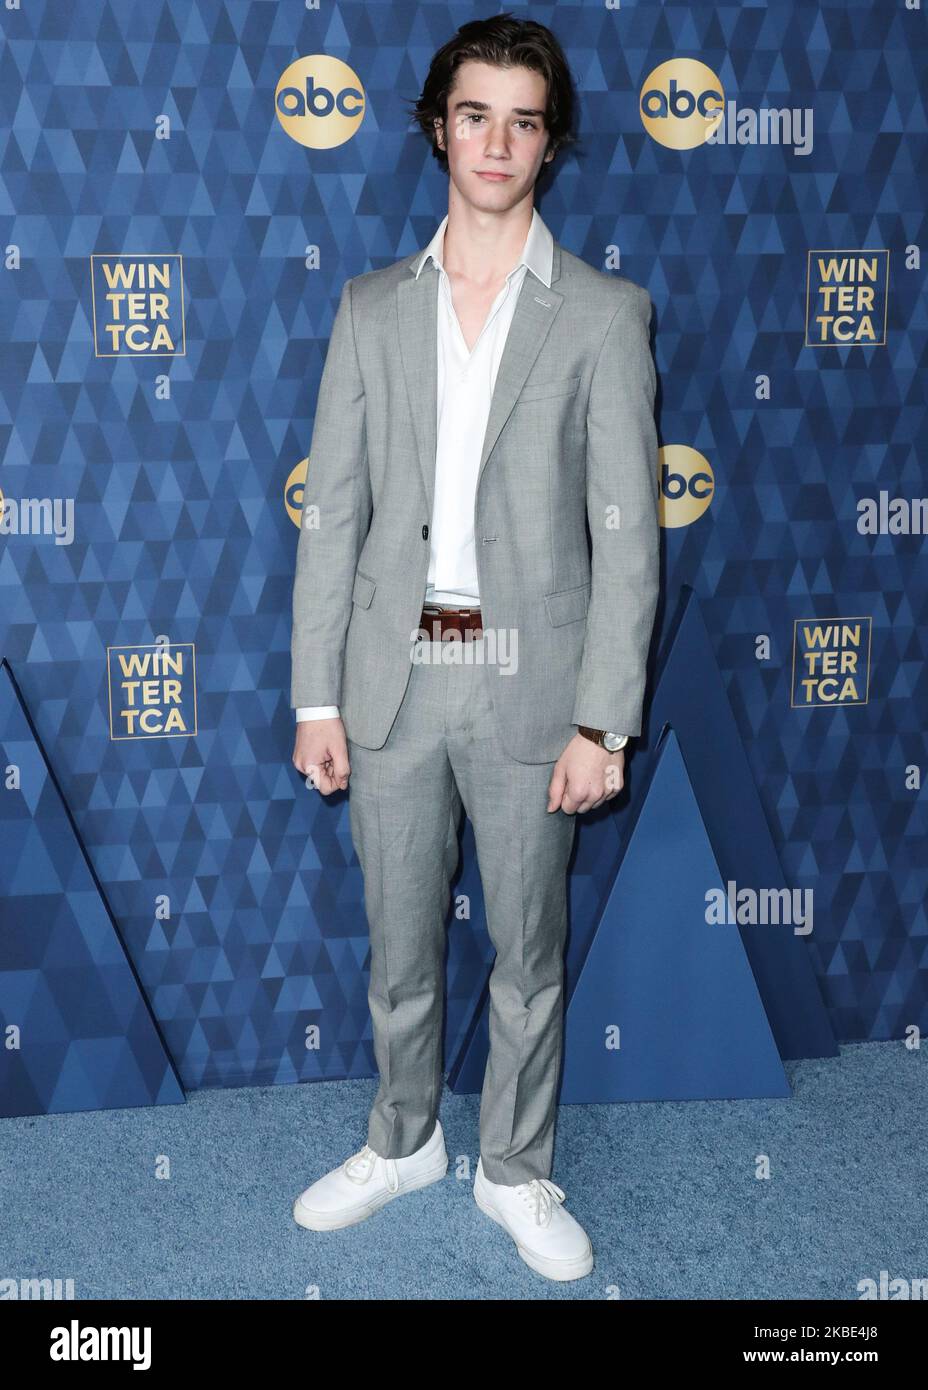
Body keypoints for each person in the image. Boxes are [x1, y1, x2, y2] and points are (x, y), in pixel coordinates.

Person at [288, 12, 659, 1283]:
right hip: (389, 682)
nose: (494, 140)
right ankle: (401, 1142)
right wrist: (314, 697)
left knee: (527, 952)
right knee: (398, 943)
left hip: (528, 681)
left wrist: (602, 722)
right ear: (436, 127)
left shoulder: (607, 316)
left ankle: (514, 1169)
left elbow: (627, 542)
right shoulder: (368, 307)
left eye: (522, 118)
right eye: (473, 113)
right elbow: (332, 515)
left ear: (548, 145)